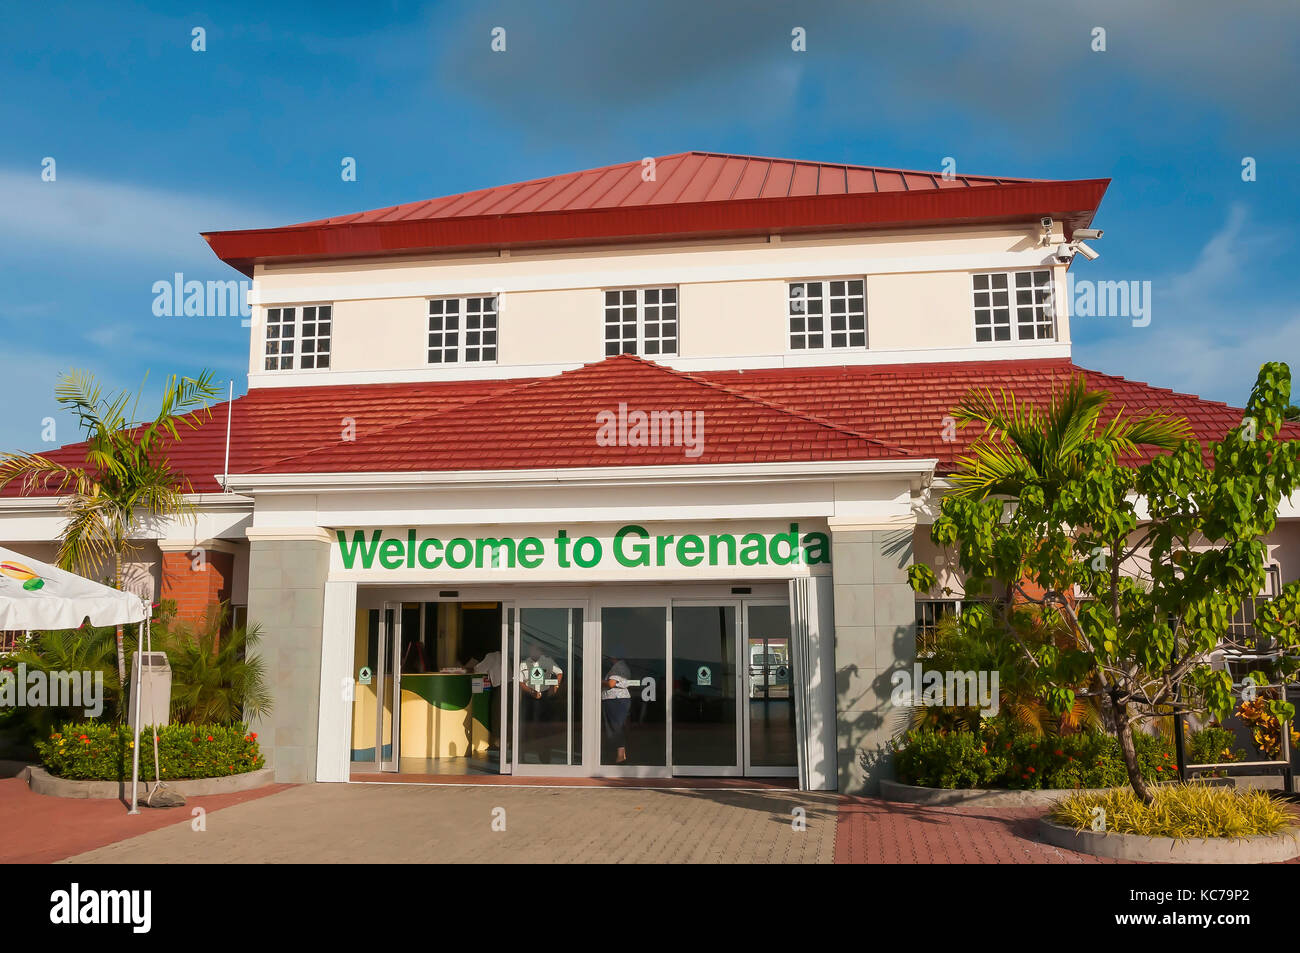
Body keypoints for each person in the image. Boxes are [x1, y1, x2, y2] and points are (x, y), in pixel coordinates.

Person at [518, 641, 563, 764]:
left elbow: (559, 672)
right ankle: (522, 756)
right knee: (528, 726)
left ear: (540, 651)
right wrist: (531, 691)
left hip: (544, 698)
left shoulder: (547, 661)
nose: (533, 652)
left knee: (544, 727)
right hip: (529, 698)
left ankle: (544, 755)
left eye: (536, 650)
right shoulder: (524, 664)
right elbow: (520, 682)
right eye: (531, 650)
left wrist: (555, 686)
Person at [601, 655, 632, 764]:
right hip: (616, 700)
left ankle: (620, 755)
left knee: (616, 727)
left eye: (610, 657)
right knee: (616, 727)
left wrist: (597, 681)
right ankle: (620, 754)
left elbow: (611, 684)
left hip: (615, 700)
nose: (608, 659)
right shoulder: (621, 667)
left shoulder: (619, 667)